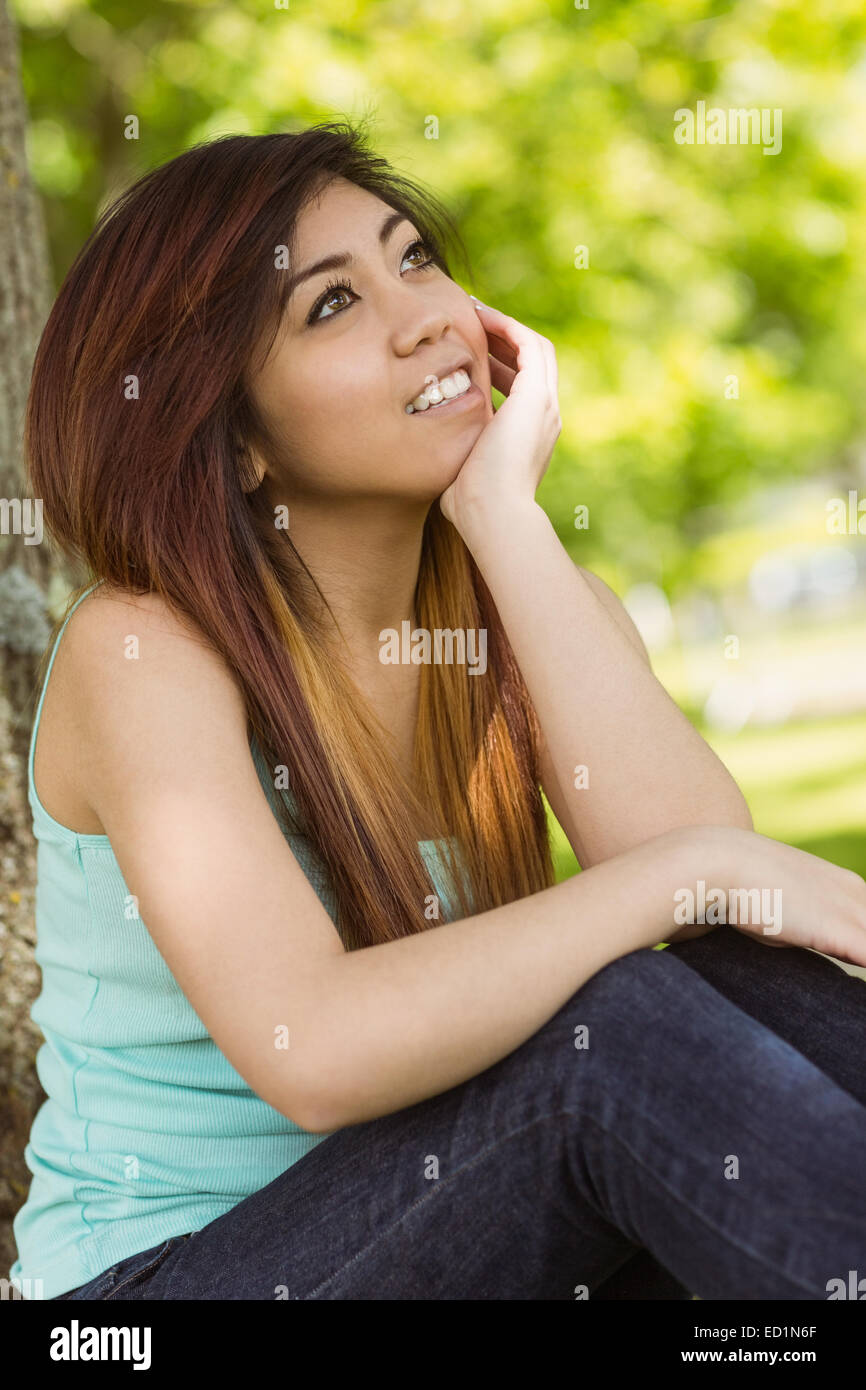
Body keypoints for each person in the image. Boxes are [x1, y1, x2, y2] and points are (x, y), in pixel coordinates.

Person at [9, 120, 866, 1302]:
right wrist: (689, 878)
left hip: (444, 1224)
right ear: (235, 438)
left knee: (725, 989)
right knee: (601, 1038)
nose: (422, 314)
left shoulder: (521, 598)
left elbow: (711, 888)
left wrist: (505, 518)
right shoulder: (144, 650)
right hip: (152, 1297)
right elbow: (311, 1050)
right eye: (329, 306)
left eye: (413, 258)